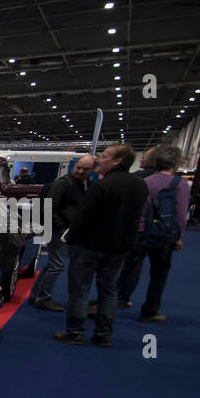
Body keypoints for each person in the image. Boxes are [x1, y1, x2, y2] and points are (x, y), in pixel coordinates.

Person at [53, 144, 147, 347]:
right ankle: (104, 334)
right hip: (120, 246)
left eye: (104, 156)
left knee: (80, 290)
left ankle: (75, 332)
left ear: (117, 161)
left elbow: (83, 217)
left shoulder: (101, 186)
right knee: (109, 290)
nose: (99, 160)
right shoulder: (140, 185)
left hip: (90, 245)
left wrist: (70, 238)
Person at [117, 144, 189, 323]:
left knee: (128, 269)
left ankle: (117, 301)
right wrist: (178, 237)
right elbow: (181, 214)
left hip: (138, 231)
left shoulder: (144, 181)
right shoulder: (179, 183)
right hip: (162, 235)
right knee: (159, 275)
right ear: (176, 163)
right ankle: (149, 311)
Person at [30, 154, 93, 311]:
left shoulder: (85, 184)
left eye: (85, 169)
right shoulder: (64, 183)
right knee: (57, 264)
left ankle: (37, 295)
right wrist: (60, 226)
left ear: (91, 170)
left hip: (67, 229)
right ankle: (43, 297)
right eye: (78, 167)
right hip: (59, 230)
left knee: (53, 263)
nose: (80, 171)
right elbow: (49, 206)